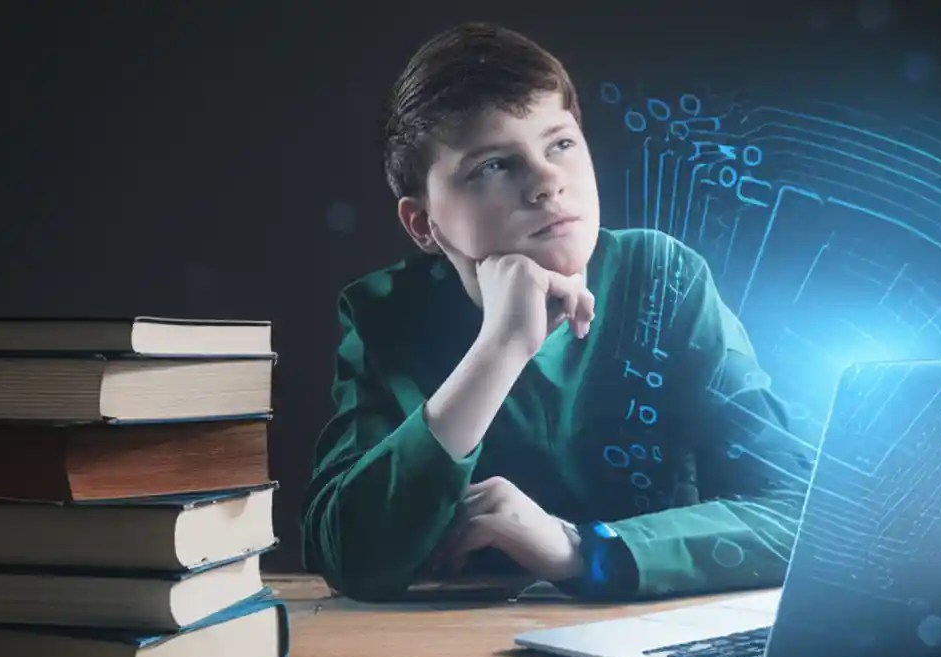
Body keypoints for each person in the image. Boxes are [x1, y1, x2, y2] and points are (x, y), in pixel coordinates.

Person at [300, 21, 814, 602]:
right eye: (494, 165)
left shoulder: (664, 279)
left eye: (561, 145)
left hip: (653, 634)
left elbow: (803, 514)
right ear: (424, 223)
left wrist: (577, 547)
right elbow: (348, 556)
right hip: (447, 656)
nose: (547, 182)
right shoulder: (384, 314)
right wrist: (499, 348)